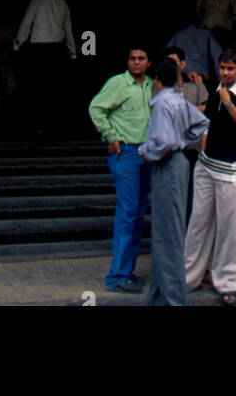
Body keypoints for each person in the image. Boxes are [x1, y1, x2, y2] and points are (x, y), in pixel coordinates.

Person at [185, 45, 236, 305]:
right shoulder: (216, 88)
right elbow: (209, 122)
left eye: (230, 69)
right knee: (198, 222)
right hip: (206, 164)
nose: (225, 72)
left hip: (232, 170)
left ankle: (226, 281)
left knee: (229, 228)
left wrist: (228, 104)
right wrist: (203, 148)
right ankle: (189, 276)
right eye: (222, 68)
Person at [140, 59, 208, 306]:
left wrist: (147, 151)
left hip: (167, 165)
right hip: (179, 164)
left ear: (157, 80)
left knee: (167, 237)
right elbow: (202, 123)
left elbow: (164, 143)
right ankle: (160, 297)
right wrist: (184, 138)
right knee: (169, 233)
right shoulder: (179, 100)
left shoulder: (162, 103)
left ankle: (172, 300)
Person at [88, 48, 154, 294]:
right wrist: (110, 136)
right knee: (128, 213)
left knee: (136, 212)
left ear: (149, 63)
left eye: (141, 59)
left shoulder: (151, 85)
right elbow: (96, 108)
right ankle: (117, 276)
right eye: (132, 59)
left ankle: (126, 270)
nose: (136, 63)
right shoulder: (118, 83)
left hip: (145, 154)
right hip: (125, 153)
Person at [13, 0, 77, 139]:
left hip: (38, 48)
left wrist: (18, 43)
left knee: (36, 87)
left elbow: (27, 22)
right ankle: (52, 124)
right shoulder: (62, 3)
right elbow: (68, 29)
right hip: (56, 49)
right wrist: (73, 51)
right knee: (53, 88)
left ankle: (36, 123)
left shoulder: (37, 0)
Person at [165, 43, 208, 221]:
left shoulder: (196, 85)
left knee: (193, 196)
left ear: (183, 64)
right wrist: (192, 111)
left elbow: (206, 108)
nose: (171, 66)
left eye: (174, 62)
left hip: (194, 149)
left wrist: (181, 112)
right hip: (172, 150)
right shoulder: (162, 87)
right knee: (173, 197)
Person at [167, 16, 222, 83]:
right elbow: (218, 55)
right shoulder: (206, 34)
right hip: (203, 79)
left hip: (184, 78)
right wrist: (221, 80)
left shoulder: (177, 36)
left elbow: (165, 57)